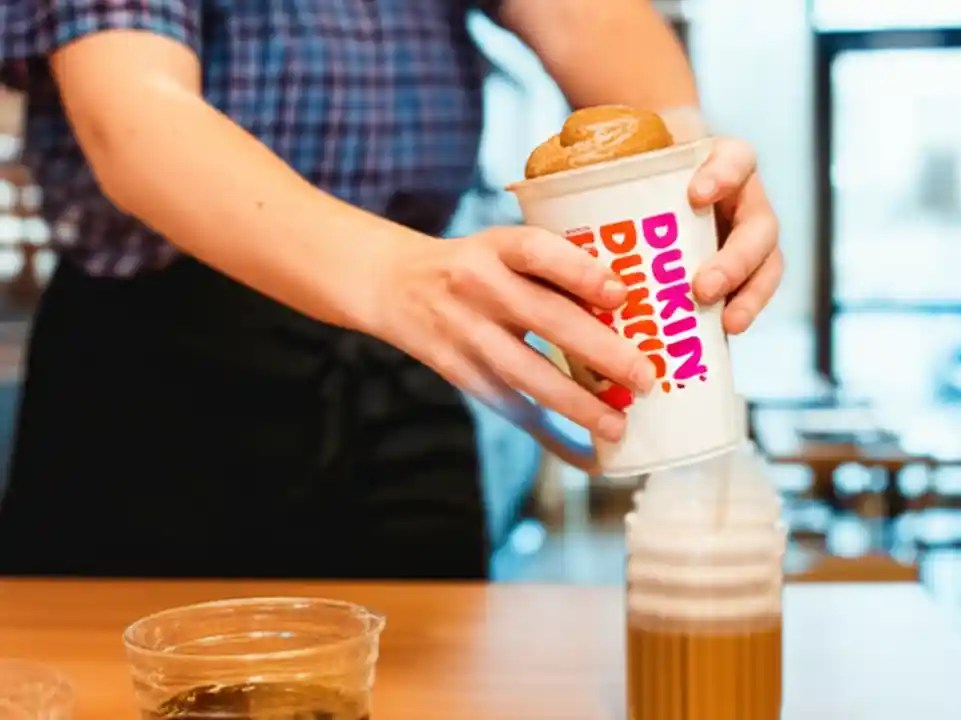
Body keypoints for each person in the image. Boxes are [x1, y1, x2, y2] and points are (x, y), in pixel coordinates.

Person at [0, 0, 783, 579]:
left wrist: (688, 165)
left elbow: (586, 20)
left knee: (431, 672)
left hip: (405, 345)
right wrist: (392, 275)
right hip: (162, 365)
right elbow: (134, 118)